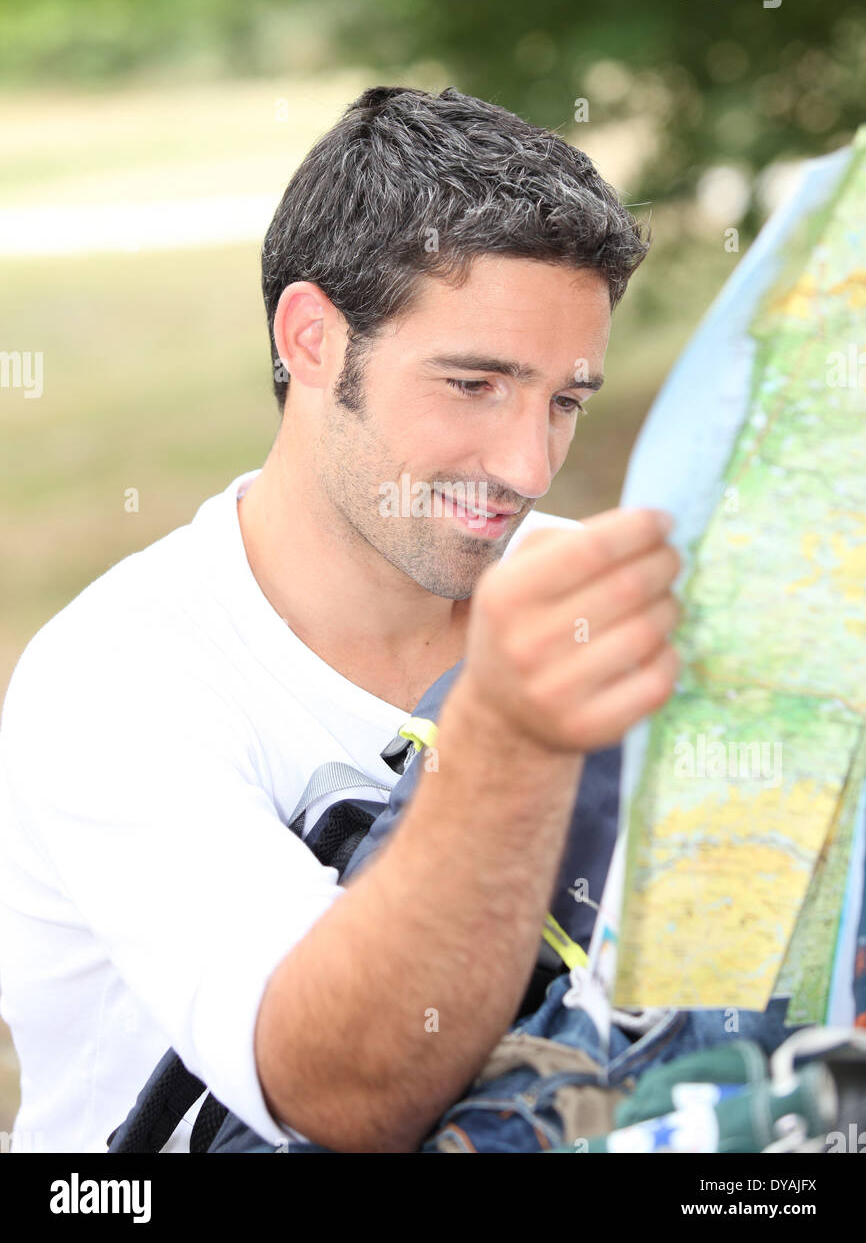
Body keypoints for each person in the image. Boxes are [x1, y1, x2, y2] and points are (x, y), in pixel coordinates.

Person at [0, 85, 680, 1153]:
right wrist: (507, 736)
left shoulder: (586, 595)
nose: (527, 467)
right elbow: (342, 1092)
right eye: (472, 383)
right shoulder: (113, 679)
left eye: (564, 400)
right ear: (311, 338)